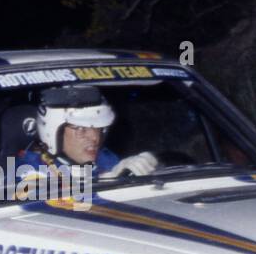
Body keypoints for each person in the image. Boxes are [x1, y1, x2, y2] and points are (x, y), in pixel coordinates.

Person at [12, 85, 156, 199]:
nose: (95, 138)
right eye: (81, 129)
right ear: (53, 132)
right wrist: (105, 182)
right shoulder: (29, 168)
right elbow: (53, 209)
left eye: (99, 128)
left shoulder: (104, 158)